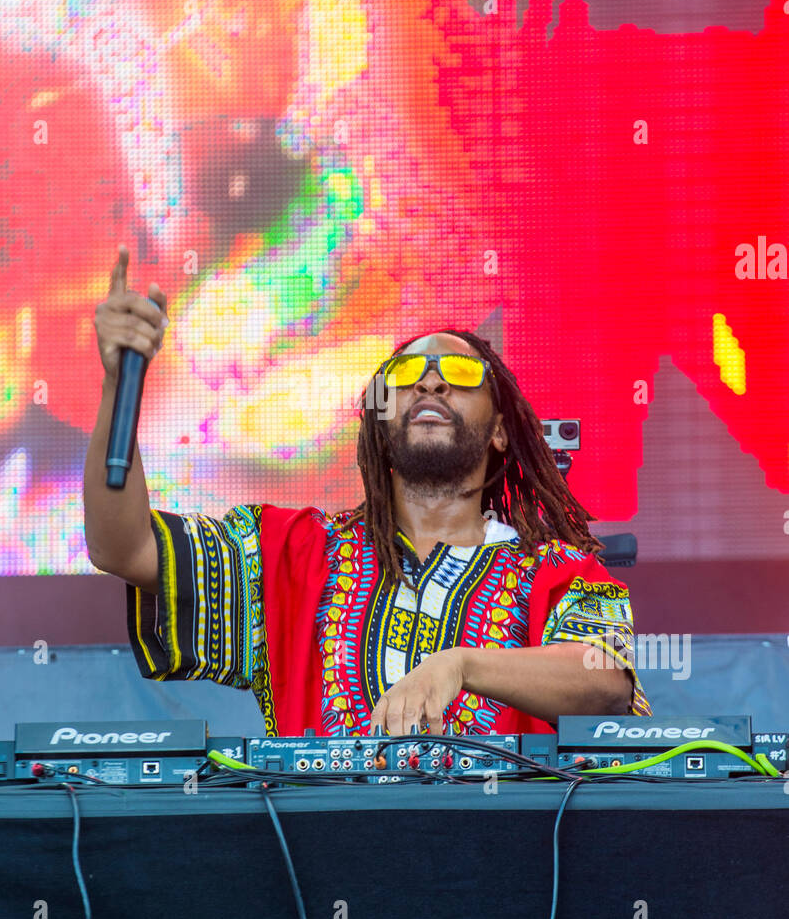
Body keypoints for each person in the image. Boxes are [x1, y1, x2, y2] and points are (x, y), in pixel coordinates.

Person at [84, 247, 651, 738]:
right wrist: (116, 384)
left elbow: (605, 683)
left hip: (497, 855)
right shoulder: (291, 554)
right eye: (405, 375)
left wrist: (461, 666)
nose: (431, 380)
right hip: (320, 856)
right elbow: (123, 548)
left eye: (459, 370)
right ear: (382, 423)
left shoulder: (557, 571)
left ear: (500, 430)